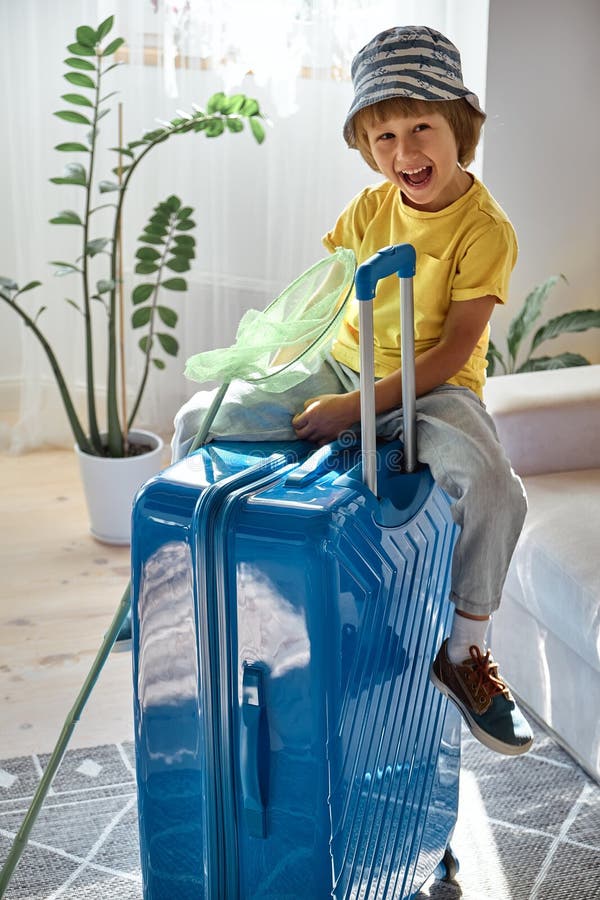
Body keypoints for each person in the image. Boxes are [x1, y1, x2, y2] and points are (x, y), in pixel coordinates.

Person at [172, 25, 533, 756]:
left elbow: (454, 351)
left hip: (434, 388)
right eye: (383, 136)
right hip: (343, 365)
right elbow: (323, 297)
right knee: (199, 421)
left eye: (420, 128)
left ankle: (463, 655)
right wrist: (276, 355)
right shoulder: (370, 211)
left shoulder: (485, 230)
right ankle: (180, 578)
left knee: (498, 488)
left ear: (459, 126)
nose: (403, 153)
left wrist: (352, 411)